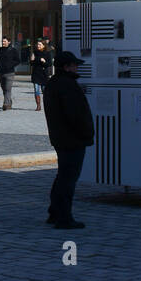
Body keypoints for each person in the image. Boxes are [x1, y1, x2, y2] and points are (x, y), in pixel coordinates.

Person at [44, 51, 94, 229]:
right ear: (66, 67)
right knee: (68, 179)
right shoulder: (67, 85)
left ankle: (55, 211)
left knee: (63, 176)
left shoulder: (54, 84)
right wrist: (87, 132)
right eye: (74, 65)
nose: (77, 67)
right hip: (72, 138)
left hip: (61, 137)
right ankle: (64, 217)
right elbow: (75, 115)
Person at [0, 37, 21, 110]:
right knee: (4, 89)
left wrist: (10, 65)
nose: (3, 43)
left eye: (5, 41)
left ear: (9, 42)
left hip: (10, 72)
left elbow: (18, 60)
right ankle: (9, 101)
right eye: (2, 41)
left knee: (7, 89)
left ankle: (5, 104)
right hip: (1, 72)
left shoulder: (13, 50)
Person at [30, 37, 53, 111]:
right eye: (37, 44)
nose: (38, 46)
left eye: (40, 44)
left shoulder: (47, 53)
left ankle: (47, 105)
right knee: (36, 90)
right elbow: (31, 62)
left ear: (44, 45)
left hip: (44, 74)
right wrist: (38, 59)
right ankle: (38, 105)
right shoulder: (35, 52)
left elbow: (49, 64)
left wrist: (44, 62)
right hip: (36, 74)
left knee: (44, 90)